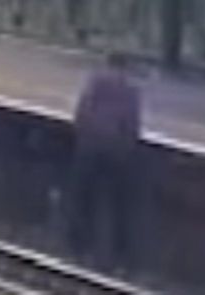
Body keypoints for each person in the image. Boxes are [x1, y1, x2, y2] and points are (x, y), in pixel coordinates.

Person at [68, 51, 142, 273]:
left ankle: (78, 247)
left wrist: (83, 139)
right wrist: (126, 150)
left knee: (83, 199)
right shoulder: (130, 91)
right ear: (125, 67)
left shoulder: (93, 85)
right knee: (117, 205)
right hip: (115, 153)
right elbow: (132, 125)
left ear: (107, 64)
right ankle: (117, 256)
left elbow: (81, 114)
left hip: (89, 148)